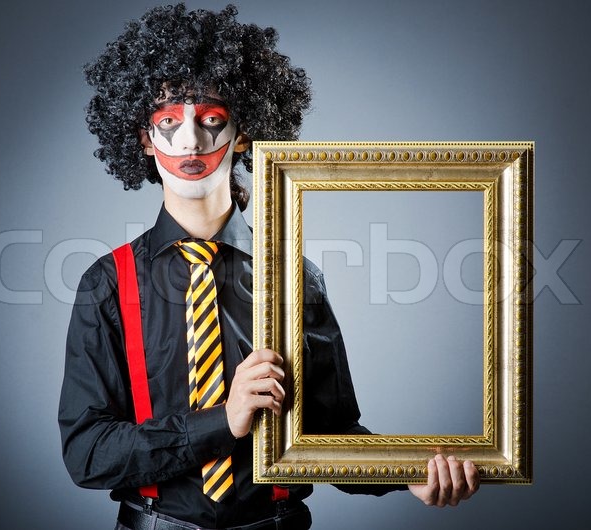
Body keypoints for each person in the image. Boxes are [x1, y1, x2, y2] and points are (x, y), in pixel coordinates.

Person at [58, 4, 479, 529]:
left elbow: (328, 435)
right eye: (168, 122)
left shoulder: (295, 277)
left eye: (210, 119)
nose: (190, 141)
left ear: (244, 131)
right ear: (144, 138)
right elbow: (88, 454)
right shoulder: (106, 282)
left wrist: (406, 469)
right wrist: (223, 421)